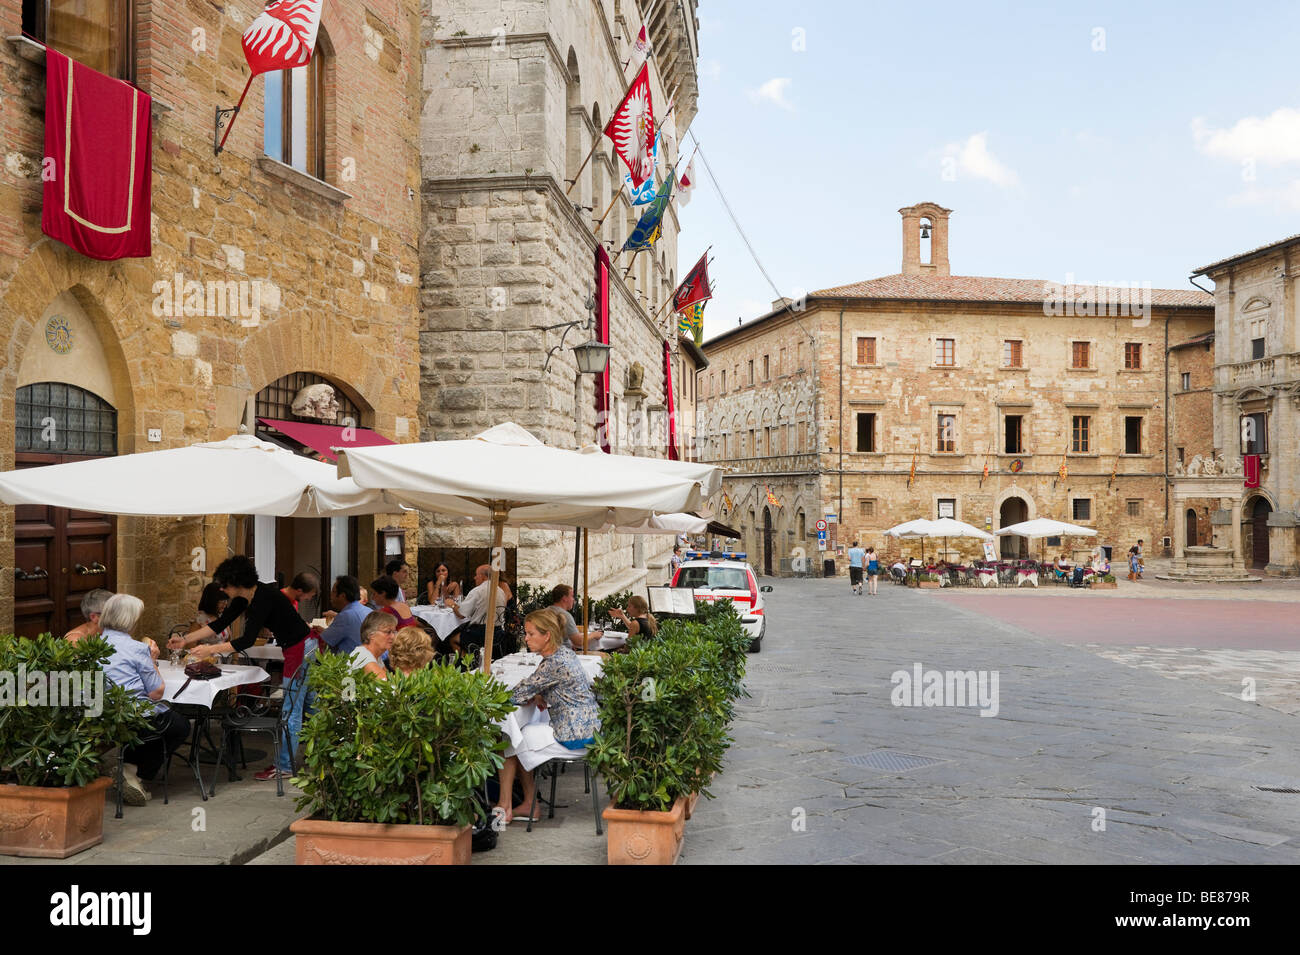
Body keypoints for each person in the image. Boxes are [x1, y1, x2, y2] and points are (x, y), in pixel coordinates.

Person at [495, 610, 600, 823]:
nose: (526, 639)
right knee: (520, 734)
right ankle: (526, 803)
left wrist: (534, 693)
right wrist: (540, 693)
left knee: (511, 737)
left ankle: (507, 805)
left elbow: (515, 695)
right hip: (590, 726)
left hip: (576, 735)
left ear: (547, 636)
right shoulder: (564, 653)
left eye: (530, 634)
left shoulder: (552, 664)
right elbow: (542, 687)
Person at [100, 594, 190, 806]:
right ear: (129, 620)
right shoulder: (136, 648)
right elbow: (157, 691)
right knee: (179, 725)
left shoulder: (94, 644)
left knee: (154, 716)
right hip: (132, 716)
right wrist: (152, 659)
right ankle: (135, 772)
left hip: (102, 714)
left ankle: (130, 770)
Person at [169, 555, 310, 660]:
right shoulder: (242, 598)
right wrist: (185, 639)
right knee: (300, 696)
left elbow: (247, 640)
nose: (222, 590)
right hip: (291, 646)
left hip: (301, 645)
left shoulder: (263, 597)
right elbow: (219, 624)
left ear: (238, 583)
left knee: (295, 696)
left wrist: (210, 649)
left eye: (225, 585)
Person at [447, 564, 509, 650]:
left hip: (480, 635)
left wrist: (452, 604)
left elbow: (461, 614)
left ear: (483, 576)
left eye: (476, 575)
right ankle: (477, 658)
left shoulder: (477, 591)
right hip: (497, 633)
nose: (474, 578)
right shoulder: (500, 591)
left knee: (453, 639)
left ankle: (469, 662)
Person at [318, 576, 370, 656]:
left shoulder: (345, 616)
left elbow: (323, 642)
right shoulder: (368, 610)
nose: (330, 595)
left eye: (333, 592)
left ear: (342, 596)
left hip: (353, 665)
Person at [349, 611, 397, 680]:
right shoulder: (364, 658)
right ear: (371, 634)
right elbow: (390, 687)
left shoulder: (375, 656)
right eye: (388, 632)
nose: (393, 636)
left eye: (394, 632)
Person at [546, 584, 582, 649]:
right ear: (564, 598)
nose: (573, 600)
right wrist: (594, 635)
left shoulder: (545, 612)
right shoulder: (565, 615)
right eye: (572, 596)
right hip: (562, 653)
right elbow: (578, 641)